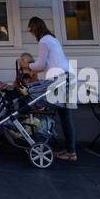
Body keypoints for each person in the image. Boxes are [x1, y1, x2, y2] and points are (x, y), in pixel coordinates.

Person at [26, 16, 77, 161]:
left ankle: (69, 151)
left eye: (31, 31)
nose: (32, 34)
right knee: (65, 115)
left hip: (60, 79)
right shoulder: (52, 39)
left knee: (58, 112)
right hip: (68, 77)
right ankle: (70, 151)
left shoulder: (44, 41)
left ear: (35, 28)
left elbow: (41, 65)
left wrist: (28, 66)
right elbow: (49, 63)